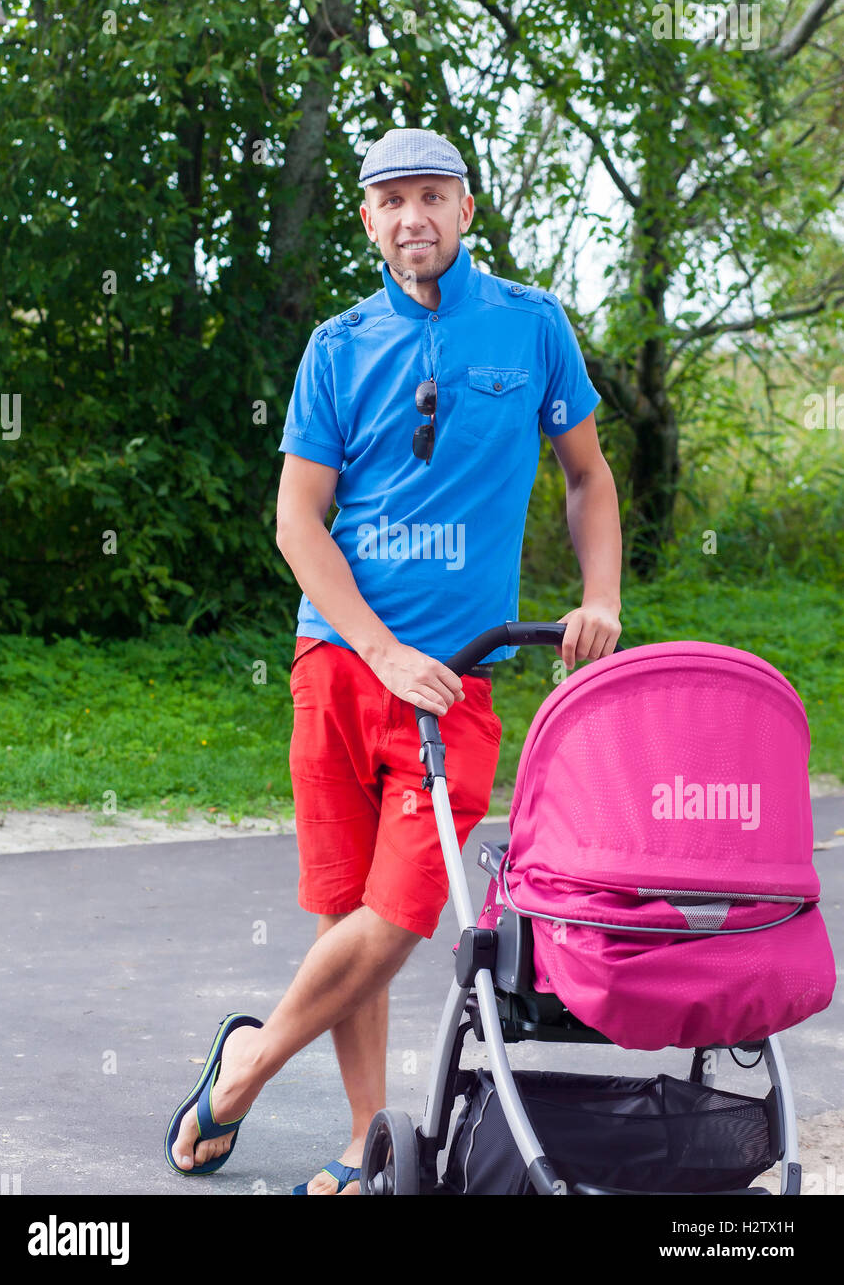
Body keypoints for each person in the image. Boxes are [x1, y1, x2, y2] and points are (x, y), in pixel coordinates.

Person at [165, 127, 622, 1193]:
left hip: (456, 676)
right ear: (366, 221)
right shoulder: (336, 346)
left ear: (466, 210)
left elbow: (585, 478)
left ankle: (239, 1070)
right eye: (390, 199)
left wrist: (599, 597)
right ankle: (366, 1142)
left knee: (402, 912)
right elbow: (296, 520)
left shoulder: (531, 327)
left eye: (432, 195)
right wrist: (377, 647)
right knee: (342, 910)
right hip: (336, 663)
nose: (412, 215)